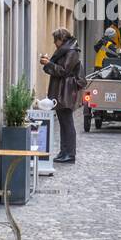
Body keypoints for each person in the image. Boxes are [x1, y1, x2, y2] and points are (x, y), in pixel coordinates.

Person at [40, 28, 83, 164]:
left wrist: (49, 64)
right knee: (64, 123)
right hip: (61, 90)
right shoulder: (65, 50)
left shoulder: (71, 51)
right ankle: (64, 151)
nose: (54, 43)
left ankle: (69, 153)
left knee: (67, 123)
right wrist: (48, 64)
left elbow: (63, 70)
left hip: (66, 91)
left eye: (55, 40)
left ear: (61, 39)